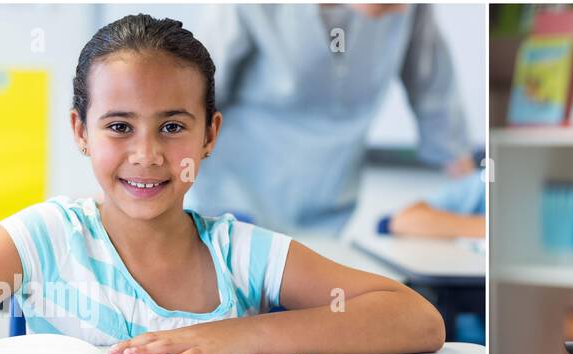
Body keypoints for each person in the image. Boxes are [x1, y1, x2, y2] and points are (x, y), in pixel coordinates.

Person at [0, 14, 444, 354]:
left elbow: (416, 319)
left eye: (172, 127)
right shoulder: (45, 238)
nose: (146, 154)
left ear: (210, 134)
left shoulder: (240, 253)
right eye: (119, 127)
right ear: (80, 133)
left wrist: (251, 333)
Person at [187, 4, 473, 234]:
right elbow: (195, 98)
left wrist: (480, 196)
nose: (398, 8)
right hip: (235, 200)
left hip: (329, 208)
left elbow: (437, 102)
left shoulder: (411, 9)